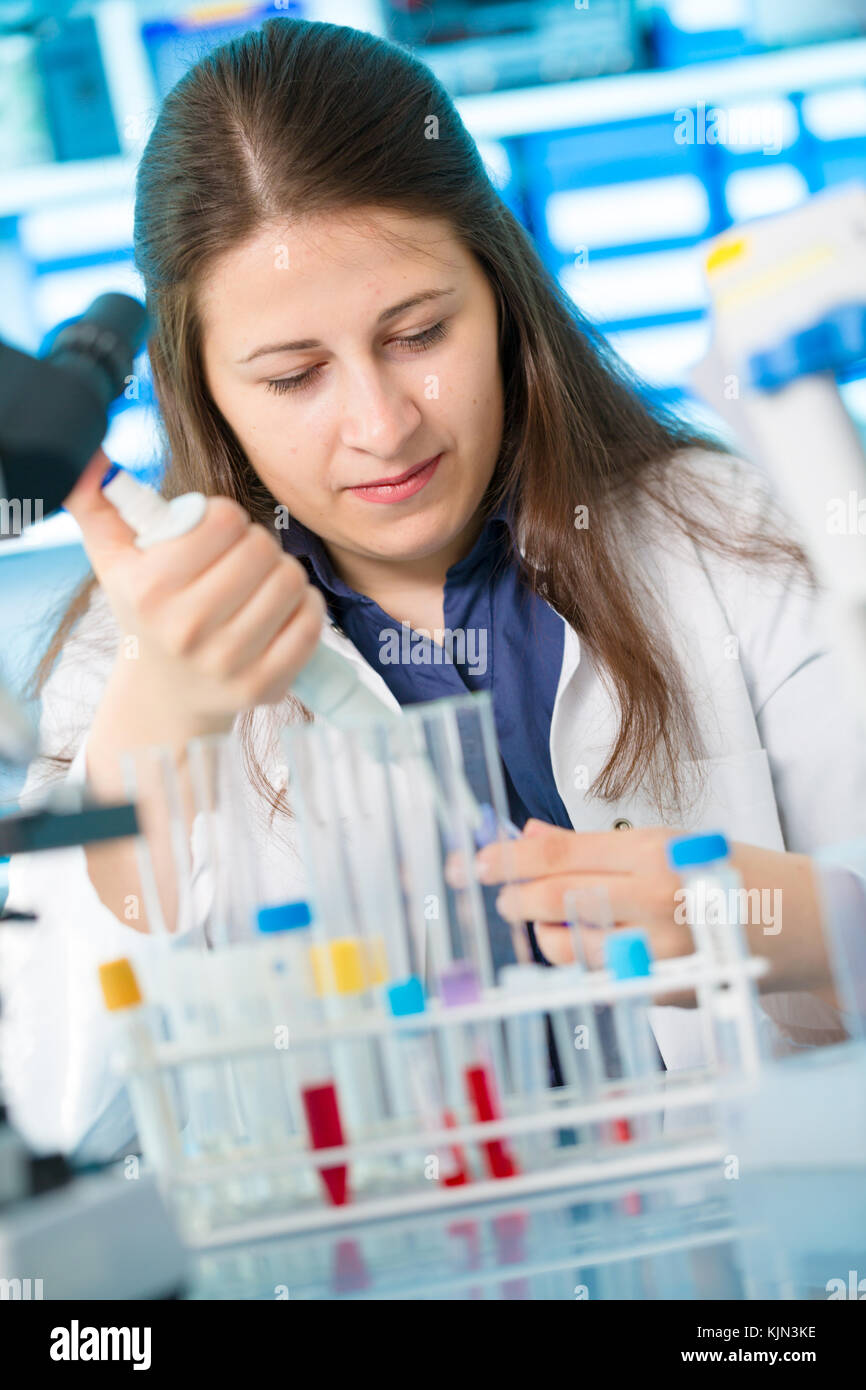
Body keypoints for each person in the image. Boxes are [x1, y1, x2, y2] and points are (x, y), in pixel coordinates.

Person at [2, 16, 865, 1161]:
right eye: (294, 374)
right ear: (200, 385)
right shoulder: (124, 666)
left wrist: (764, 919)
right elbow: (72, 1108)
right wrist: (155, 724)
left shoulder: (727, 534)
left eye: (416, 332)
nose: (379, 423)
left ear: (499, 290)